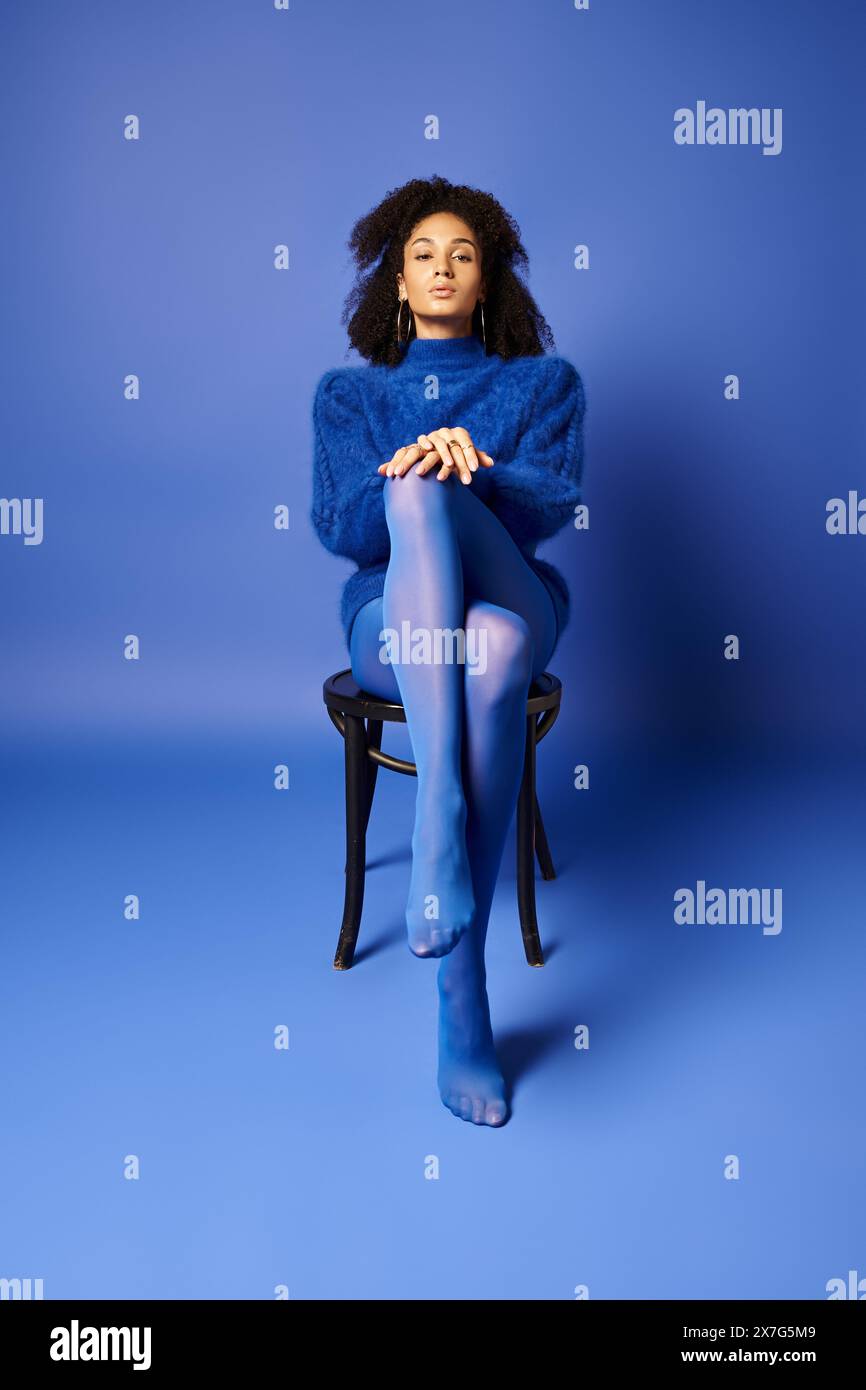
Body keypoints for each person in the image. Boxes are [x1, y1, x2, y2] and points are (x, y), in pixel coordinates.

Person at [310, 175, 587, 1126]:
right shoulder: (348, 398)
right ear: (395, 281)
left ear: (487, 284)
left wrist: (478, 464)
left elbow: (555, 504)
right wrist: (406, 472)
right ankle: (464, 1002)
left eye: (461, 256)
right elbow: (342, 530)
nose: (440, 267)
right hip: (394, 622)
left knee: (466, 541)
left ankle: (437, 818)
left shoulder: (542, 384)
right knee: (492, 638)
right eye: (422, 255)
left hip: (512, 580)